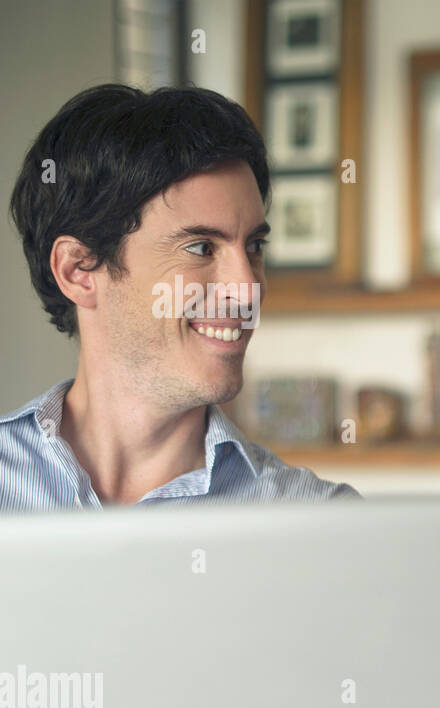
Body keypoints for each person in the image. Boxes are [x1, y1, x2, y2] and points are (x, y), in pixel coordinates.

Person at [2, 84, 358, 509]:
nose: (247, 290)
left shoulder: (318, 519)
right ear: (79, 270)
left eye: (255, 247)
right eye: (201, 248)